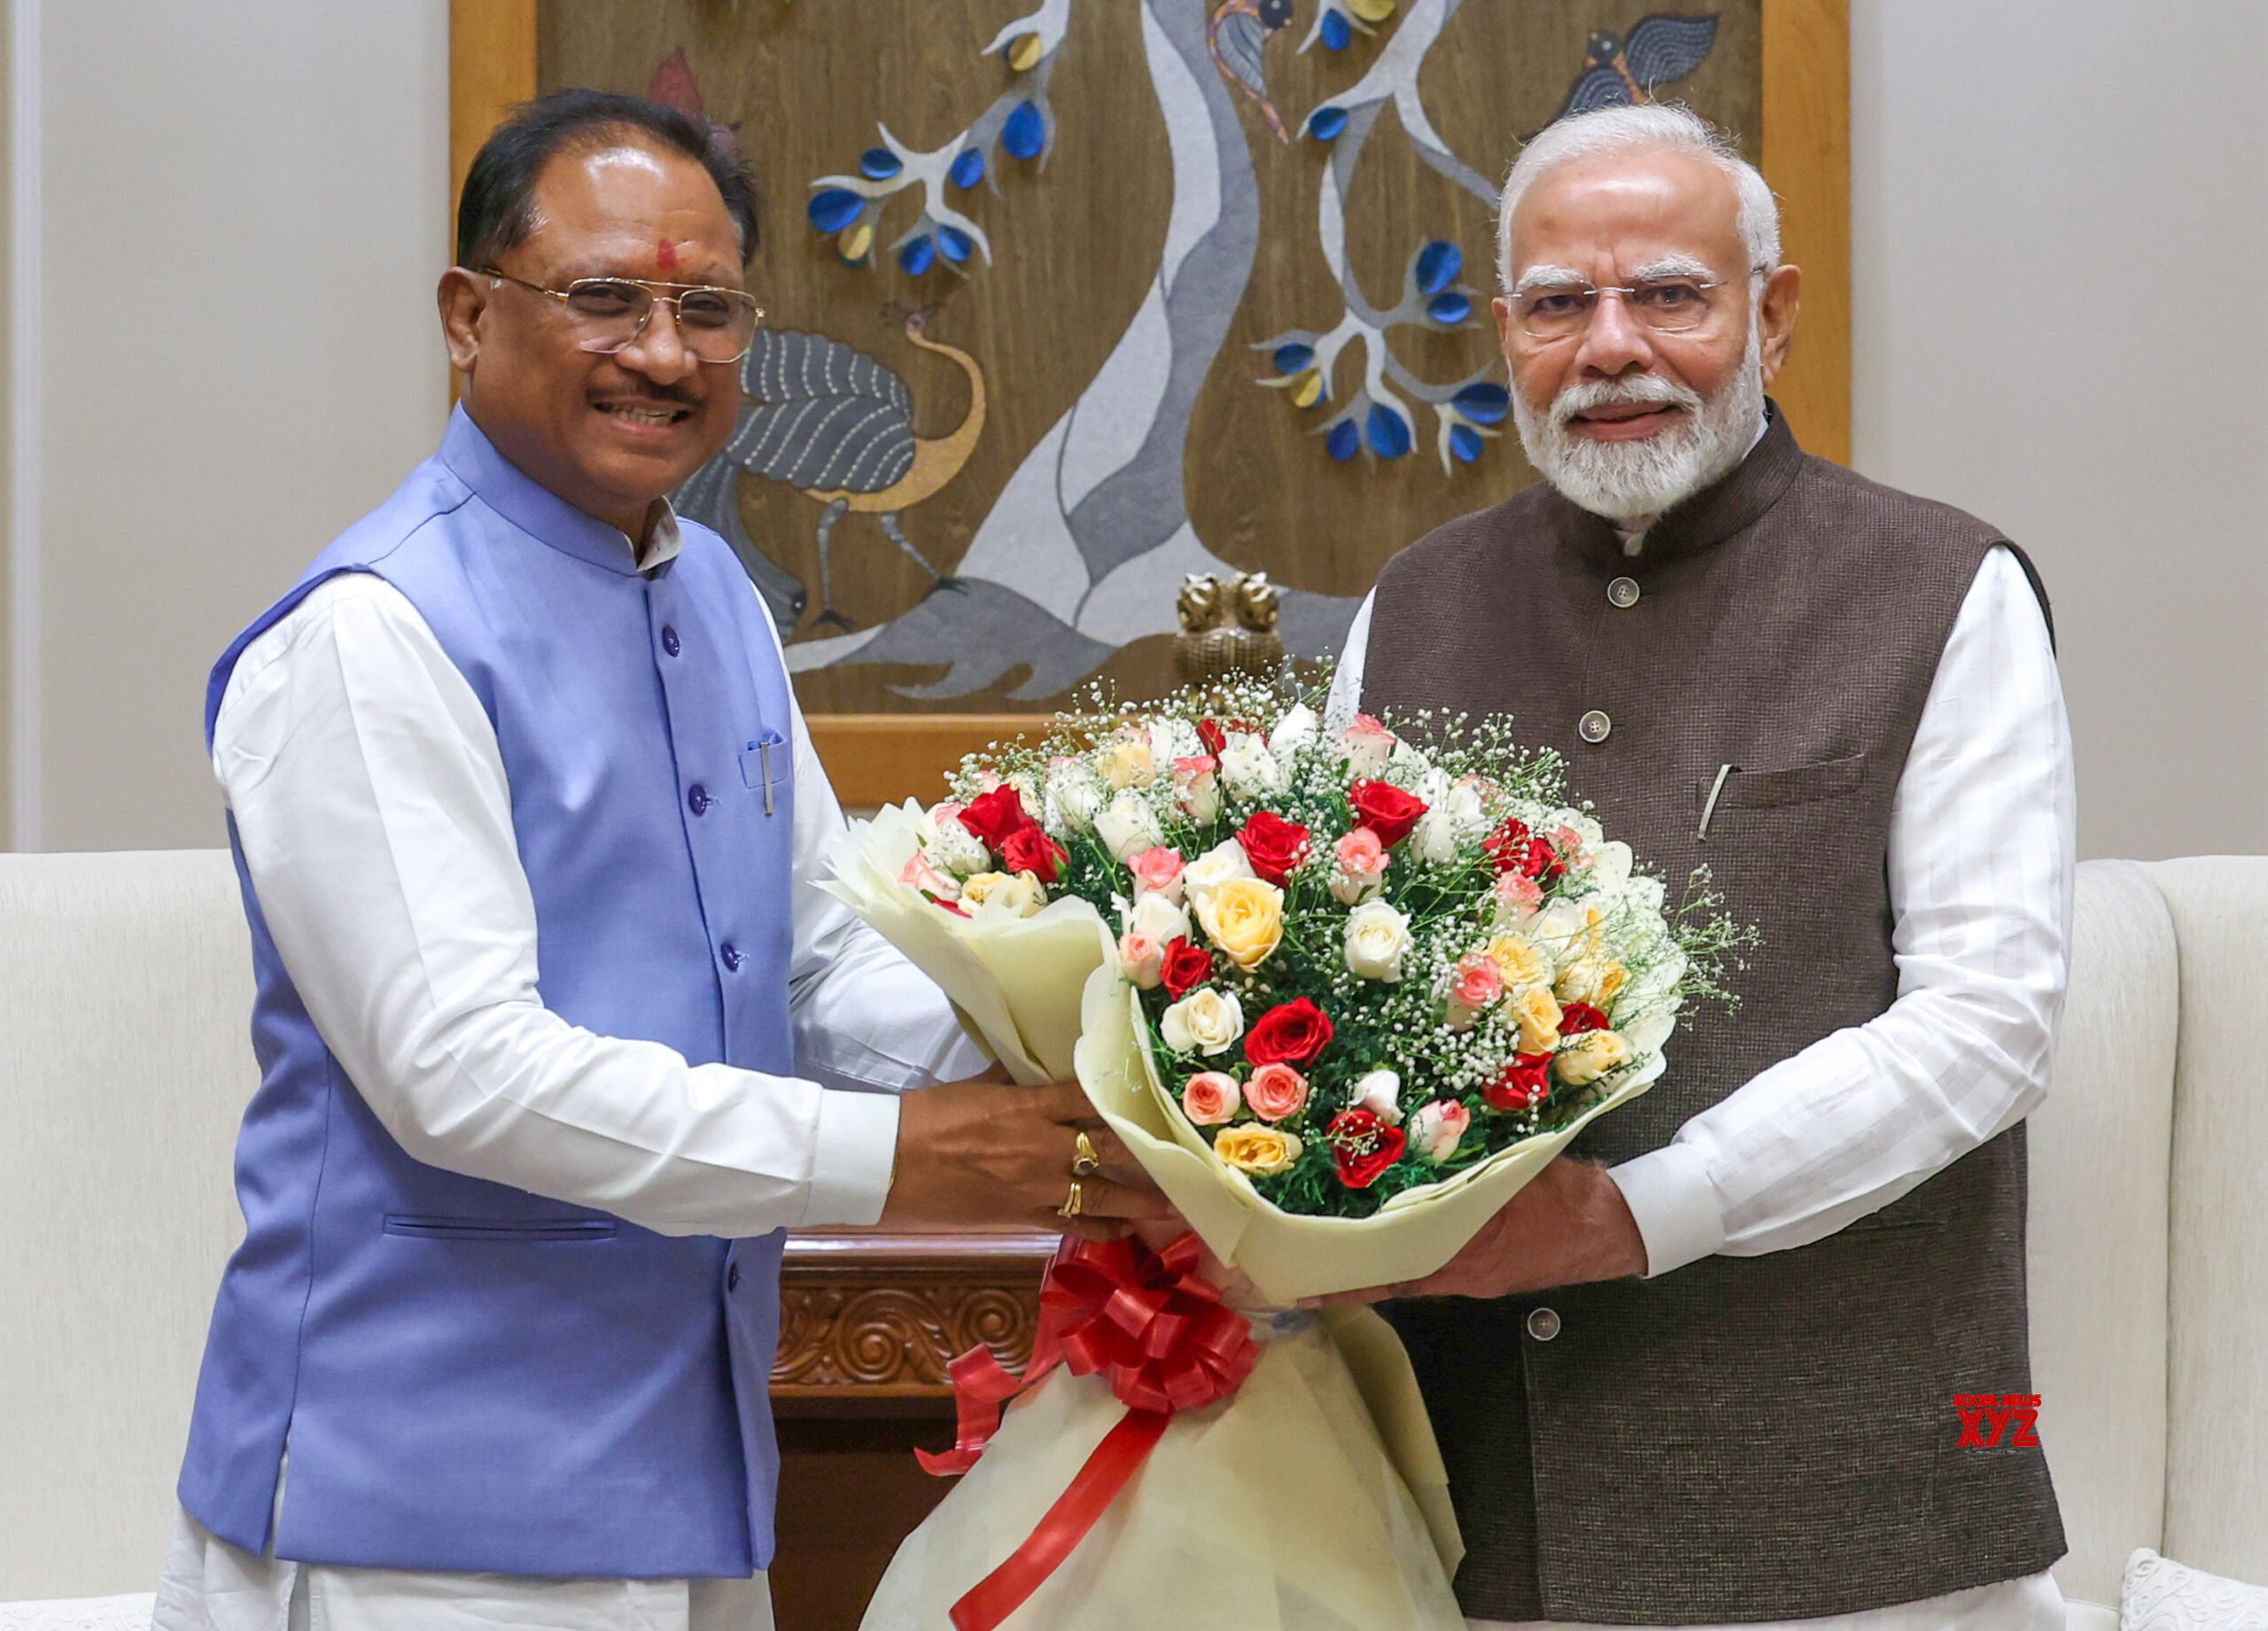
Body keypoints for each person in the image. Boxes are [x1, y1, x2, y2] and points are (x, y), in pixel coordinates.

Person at [153, 89, 1163, 1631]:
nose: (663, 351)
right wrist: (905, 1158)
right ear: (468, 314)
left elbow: (818, 956)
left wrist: (1126, 1037)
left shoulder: (721, 605)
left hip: (691, 1472)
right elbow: (465, 1073)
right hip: (421, 1512)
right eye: (605, 297)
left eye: (709, 308)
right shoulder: (373, 631)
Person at [1324, 104, 2073, 1629]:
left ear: (1772, 315)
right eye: (1557, 304)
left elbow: (1989, 1023)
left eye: (1668, 292)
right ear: (1507, 335)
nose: (1610, 346)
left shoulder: (1942, 589)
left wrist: (1642, 1208)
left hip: (1858, 1526)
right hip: (1457, 1507)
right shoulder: (1411, 608)